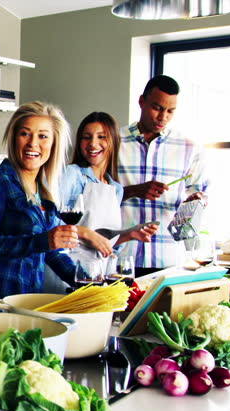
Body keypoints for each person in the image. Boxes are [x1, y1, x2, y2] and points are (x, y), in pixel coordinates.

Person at [0, 101, 78, 313]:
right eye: (25, 134)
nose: (33, 143)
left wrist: (88, 283)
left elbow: (52, 252)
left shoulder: (44, 193)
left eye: (42, 136)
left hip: (18, 303)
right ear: (14, 138)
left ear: (53, 144)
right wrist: (41, 240)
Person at [45, 112, 158, 293]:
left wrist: (130, 235)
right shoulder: (72, 174)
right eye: (86, 137)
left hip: (96, 276)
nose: (93, 144)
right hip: (66, 273)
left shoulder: (116, 189)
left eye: (101, 137)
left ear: (113, 141)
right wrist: (88, 234)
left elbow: (104, 243)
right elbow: (49, 222)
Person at [118, 75, 207, 276]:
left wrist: (194, 201)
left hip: (168, 260)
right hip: (120, 258)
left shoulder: (189, 147)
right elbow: (96, 196)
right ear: (141, 102)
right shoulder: (113, 141)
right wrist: (133, 191)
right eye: (157, 108)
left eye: (170, 111)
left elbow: (197, 194)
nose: (163, 117)